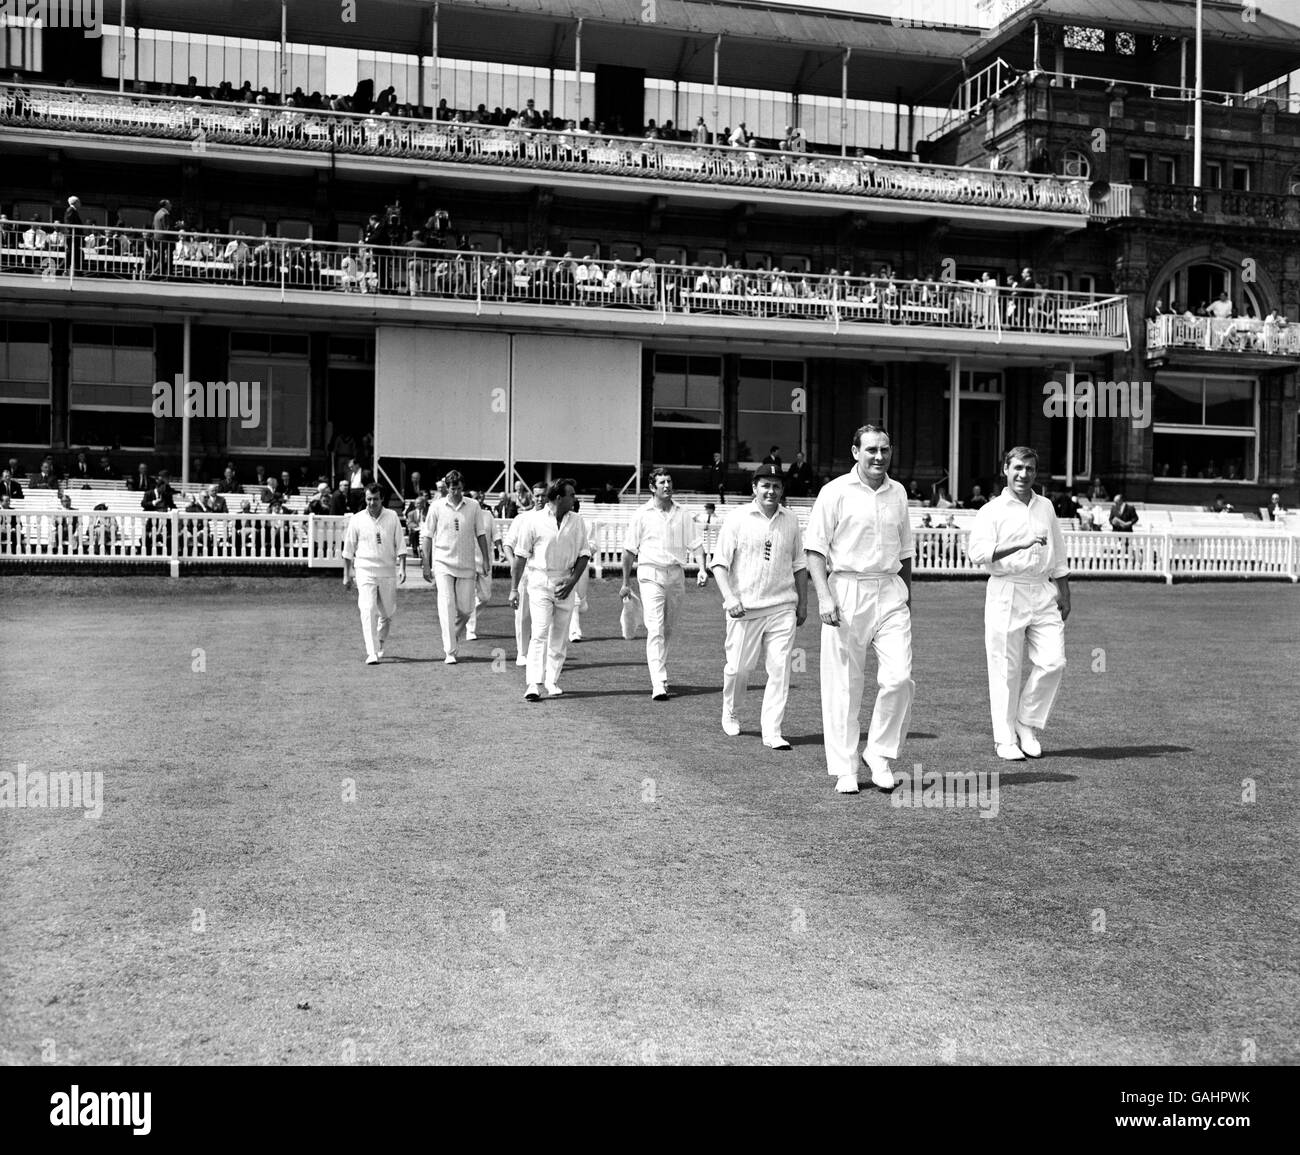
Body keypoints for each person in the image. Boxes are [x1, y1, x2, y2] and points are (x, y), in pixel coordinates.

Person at [804, 424, 914, 794]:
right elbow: (815, 550)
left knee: (899, 678)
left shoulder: (897, 492)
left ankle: (879, 753)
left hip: (889, 591)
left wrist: (907, 596)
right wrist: (823, 596)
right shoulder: (834, 492)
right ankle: (845, 768)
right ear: (855, 452)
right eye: (871, 450)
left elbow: (905, 552)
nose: (879, 457)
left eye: (884, 449)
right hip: (846, 590)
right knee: (844, 687)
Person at [967, 447, 1070, 761]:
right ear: (1005, 470)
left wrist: (1064, 590)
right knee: (1005, 669)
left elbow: (1059, 551)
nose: (1023, 474)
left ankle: (1026, 722)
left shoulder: (1046, 507)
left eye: (1029, 469)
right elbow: (977, 554)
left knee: (1054, 661)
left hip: (1042, 589)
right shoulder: (992, 510)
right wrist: (1019, 544)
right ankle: (1004, 739)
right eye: (1017, 468)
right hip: (1007, 589)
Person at [709, 464, 808, 749]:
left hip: (782, 607)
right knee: (739, 669)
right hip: (745, 608)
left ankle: (772, 731)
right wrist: (729, 597)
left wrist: (802, 604)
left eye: (777, 486)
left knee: (780, 670)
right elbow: (719, 564)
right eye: (765, 485)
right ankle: (731, 710)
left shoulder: (790, 520)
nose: (771, 491)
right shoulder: (738, 518)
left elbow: (800, 564)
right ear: (754, 487)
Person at [619, 468, 708, 701]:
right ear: (652, 487)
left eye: (669, 481)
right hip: (650, 573)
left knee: (668, 628)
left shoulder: (683, 514)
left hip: (676, 574)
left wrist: (701, 568)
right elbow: (629, 551)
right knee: (655, 627)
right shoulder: (642, 514)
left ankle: (661, 671)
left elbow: (696, 545)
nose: (667, 485)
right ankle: (658, 682)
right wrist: (625, 582)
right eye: (661, 482)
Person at [508, 479, 590, 700]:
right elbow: (520, 556)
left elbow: (584, 554)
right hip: (539, 581)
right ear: (558, 497)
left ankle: (552, 680)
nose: (575, 499)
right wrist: (514, 589)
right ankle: (533, 683)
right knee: (540, 632)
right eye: (571, 495)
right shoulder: (533, 520)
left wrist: (572, 581)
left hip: (565, 581)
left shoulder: (577, 521)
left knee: (560, 635)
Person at [420, 470, 491, 664]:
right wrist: (426, 564)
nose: (457, 493)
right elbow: (427, 536)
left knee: (466, 609)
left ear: (463, 487)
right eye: (453, 489)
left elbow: (481, 534)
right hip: (443, 563)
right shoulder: (436, 507)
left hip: (467, 564)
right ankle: (450, 650)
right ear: (447, 488)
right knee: (447, 604)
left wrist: (485, 559)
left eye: (459, 489)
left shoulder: (474, 506)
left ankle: (455, 634)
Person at [342, 483, 408, 665]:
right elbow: (348, 549)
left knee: (387, 613)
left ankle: (379, 641)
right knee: (368, 609)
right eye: (369, 499)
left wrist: (402, 567)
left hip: (387, 571)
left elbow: (400, 544)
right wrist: (346, 575)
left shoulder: (392, 516)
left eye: (375, 499)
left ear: (382, 499)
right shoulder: (357, 519)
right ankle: (371, 652)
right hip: (364, 570)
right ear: (365, 499)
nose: (372, 503)